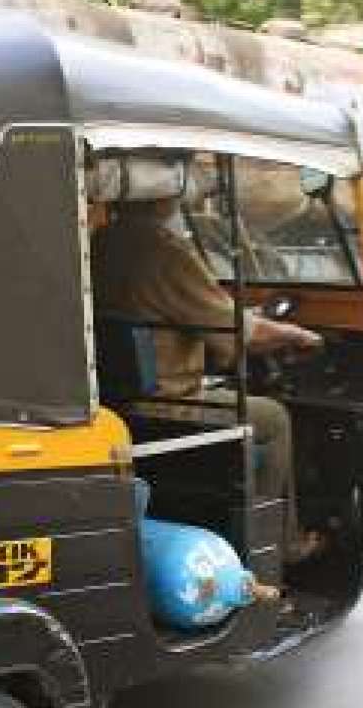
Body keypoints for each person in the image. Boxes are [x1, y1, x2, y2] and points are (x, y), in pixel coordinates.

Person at [89, 197, 323, 562]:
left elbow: (208, 314)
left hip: (112, 400)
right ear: (163, 194)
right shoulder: (163, 252)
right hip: (166, 406)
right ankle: (274, 547)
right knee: (274, 418)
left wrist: (244, 320)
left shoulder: (98, 243)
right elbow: (235, 331)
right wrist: (295, 335)